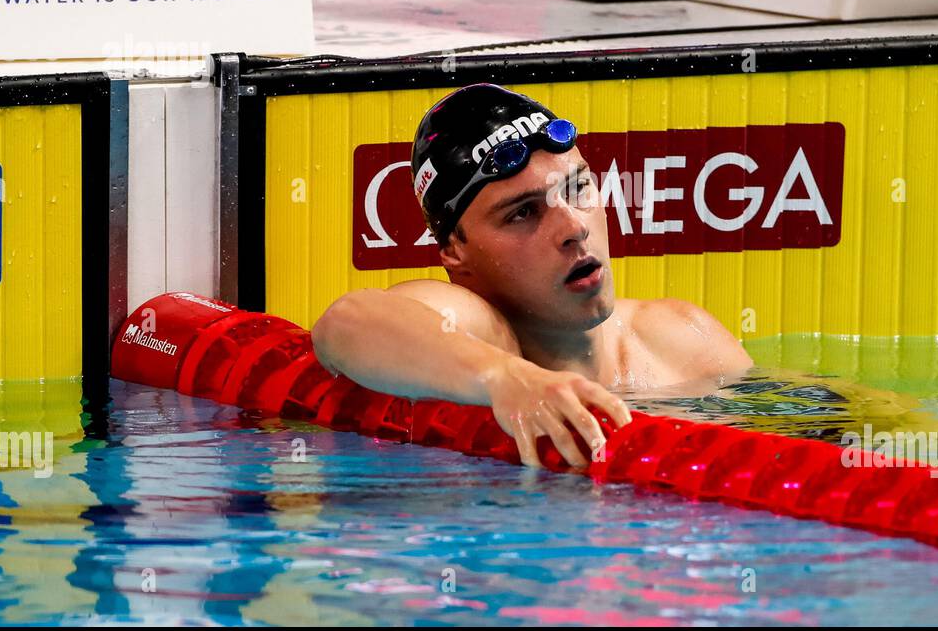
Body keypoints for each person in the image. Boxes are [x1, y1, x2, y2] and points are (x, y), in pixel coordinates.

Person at [312, 83, 753, 468]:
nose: (574, 227)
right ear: (455, 252)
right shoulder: (480, 334)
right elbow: (344, 324)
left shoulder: (684, 340)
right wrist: (503, 378)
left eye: (577, 188)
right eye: (523, 213)